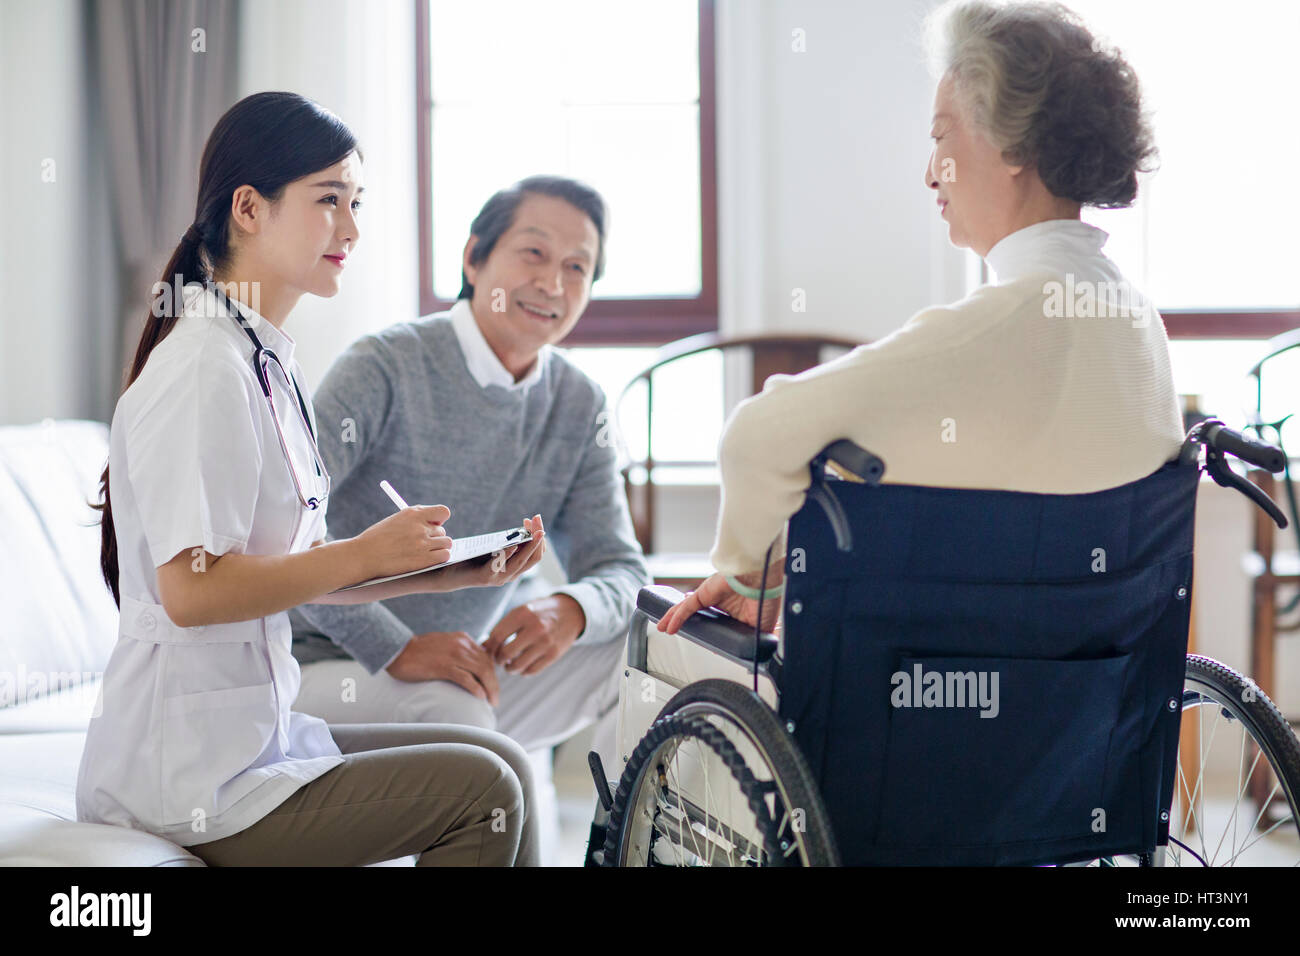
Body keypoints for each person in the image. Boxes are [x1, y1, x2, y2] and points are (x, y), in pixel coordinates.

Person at [78, 91, 547, 866]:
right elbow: (195, 591)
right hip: (186, 776)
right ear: (249, 208)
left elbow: (288, 572)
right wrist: (364, 555)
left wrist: (428, 573)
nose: (352, 229)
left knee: (511, 768)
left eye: (355, 203)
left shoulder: (263, 360)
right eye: (329, 200)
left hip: (247, 741)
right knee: (484, 794)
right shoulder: (202, 367)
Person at [658, 0, 1183, 635]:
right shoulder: (1138, 324)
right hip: (1095, 706)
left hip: (937, 696)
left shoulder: (985, 332)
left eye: (940, 137)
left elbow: (756, 436)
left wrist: (750, 575)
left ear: (1014, 144)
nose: (930, 172)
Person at [287, 176, 650, 782]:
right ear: (474, 258)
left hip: (464, 664)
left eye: (577, 267)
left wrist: (570, 610)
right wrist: (396, 648)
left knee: (643, 660)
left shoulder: (579, 403)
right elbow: (285, 528)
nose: (553, 284)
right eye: (533, 253)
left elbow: (621, 568)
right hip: (323, 661)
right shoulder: (384, 366)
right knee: (464, 722)